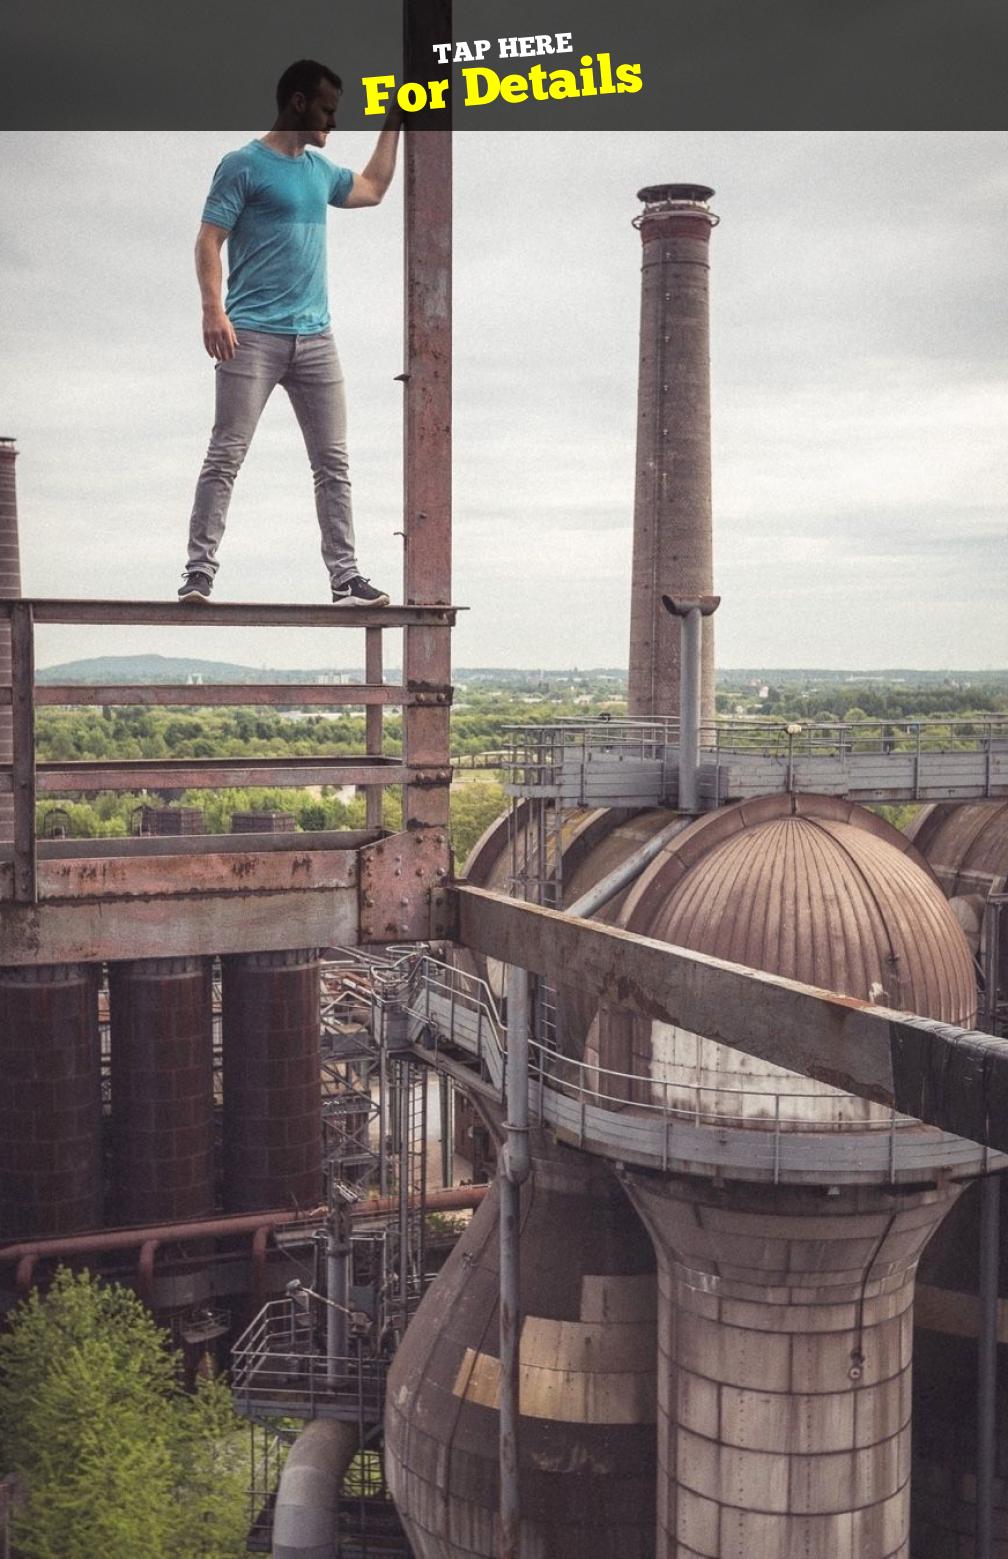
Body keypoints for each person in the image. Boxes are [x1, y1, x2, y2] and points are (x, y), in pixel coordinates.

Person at [178, 59, 400, 606]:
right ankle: (199, 574)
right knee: (226, 454)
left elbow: (372, 188)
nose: (333, 121)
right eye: (327, 110)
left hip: (316, 340)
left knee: (333, 465)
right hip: (250, 334)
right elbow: (209, 241)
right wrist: (214, 309)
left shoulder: (319, 171)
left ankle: (345, 578)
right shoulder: (243, 165)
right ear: (298, 102)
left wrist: (396, 118)